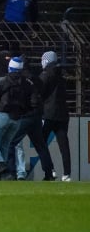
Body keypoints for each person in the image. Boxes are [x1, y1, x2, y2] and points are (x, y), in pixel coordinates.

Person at [38, 51, 72, 181]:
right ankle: (67, 173)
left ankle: (50, 169)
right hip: (63, 114)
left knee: (41, 143)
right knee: (64, 145)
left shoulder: (45, 74)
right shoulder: (62, 74)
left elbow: (40, 92)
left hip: (48, 114)